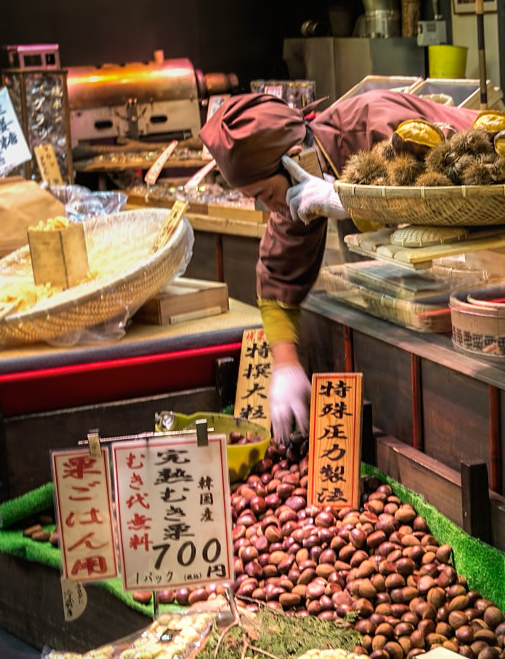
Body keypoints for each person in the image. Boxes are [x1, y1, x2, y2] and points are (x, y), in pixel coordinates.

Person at [201, 87, 478, 441]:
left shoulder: (375, 123)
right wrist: (285, 364)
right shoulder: (295, 190)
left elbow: (458, 189)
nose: (270, 207)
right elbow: (275, 280)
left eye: (266, 195)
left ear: (294, 157)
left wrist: (354, 199)